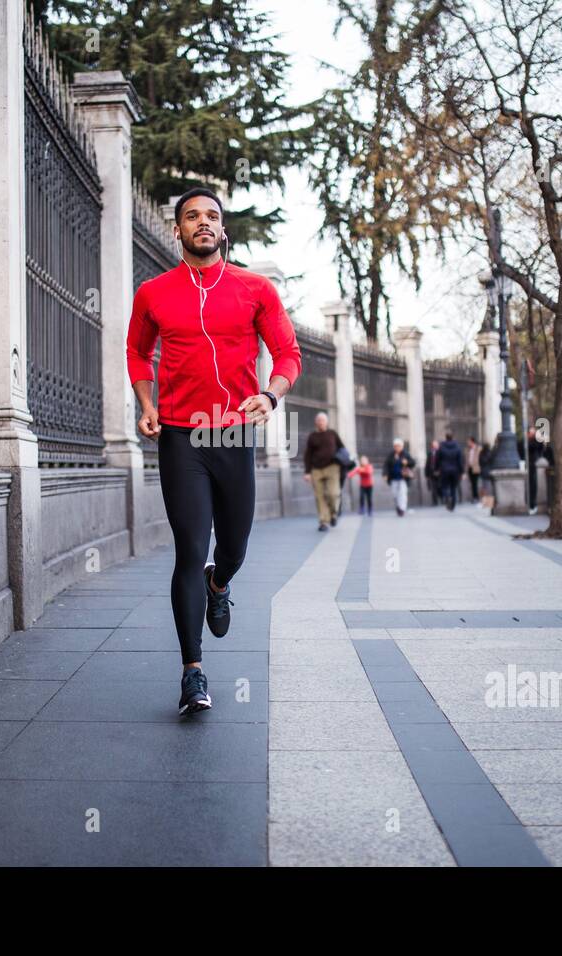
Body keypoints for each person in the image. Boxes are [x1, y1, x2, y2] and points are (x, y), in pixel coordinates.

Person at [127, 186, 302, 716]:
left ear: (223, 230)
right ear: (176, 230)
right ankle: (192, 674)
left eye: (211, 216)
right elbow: (136, 352)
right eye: (191, 216)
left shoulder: (256, 289)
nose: (202, 222)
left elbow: (289, 353)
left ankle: (219, 582)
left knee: (233, 549)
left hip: (228, 433)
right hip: (181, 435)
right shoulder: (154, 293)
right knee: (188, 547)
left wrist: (271, 394)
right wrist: (146, 402)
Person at [303, 411, 347, 532]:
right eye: (319, 421)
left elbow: (342, 448)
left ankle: (333, 514)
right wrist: (307, 472)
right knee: (319, 496)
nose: (321, 422)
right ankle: (323, 521)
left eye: (323, 420)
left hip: (333, 468)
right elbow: (308, 455)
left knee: (333, 494)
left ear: (326, 422)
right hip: (316, 469)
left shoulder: (332, 434)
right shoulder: (312, 436)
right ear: (316, 423)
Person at [383, 438, 416, 517]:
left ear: (402, 446)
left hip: (403, 478)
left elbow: (413, 463)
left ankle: (402, 509)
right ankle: (398, 506)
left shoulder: (406, 454)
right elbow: (386, 465)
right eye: (395, 446)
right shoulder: (391, 455)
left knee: (402, 494)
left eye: (398, 446)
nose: (397, 447)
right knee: (395, 494)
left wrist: (407, 462)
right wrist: (385, 474)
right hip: (393, 478)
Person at [433, 431, 464, 511]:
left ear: (445, 437)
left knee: (444, 486)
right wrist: (462, 471)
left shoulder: (441, 447)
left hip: (444, 470)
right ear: (452, 437)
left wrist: (436, 469)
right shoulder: (457, 447)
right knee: (453, 487)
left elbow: (437, 459)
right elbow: (460, 460)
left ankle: (447, 497)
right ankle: (452, 505)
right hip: (455, 471)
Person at [465, 436, 481, 504]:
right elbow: (467, 459)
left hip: (476, 468)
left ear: (472, 442)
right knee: (472, 484)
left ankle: (476, 497)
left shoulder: (478, 448)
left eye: (468, 441)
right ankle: (474, 497)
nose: (468, 443)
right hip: (470, 468)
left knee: (475, 483)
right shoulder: (468, 449)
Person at [478, 441, 494, 508]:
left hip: (483, 472)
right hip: (489, 472)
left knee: (484, 487)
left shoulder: (481, 454)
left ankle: (484, 502)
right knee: (488, 488)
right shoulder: (490, 453)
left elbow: (480, 462)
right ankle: (488, 502)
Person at [426, 439, 441, 506]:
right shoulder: (430, 453)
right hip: (431, 473)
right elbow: (427, 463)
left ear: (438, 445)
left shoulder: (441, 452)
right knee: (433, 488)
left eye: (435, 445)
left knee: (439, 487)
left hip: (439, 472)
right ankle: (435, 501)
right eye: (433, 445)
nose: (434, 446)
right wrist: (426, 473)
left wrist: (439, 470)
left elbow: (442, 462)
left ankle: (442, 498)